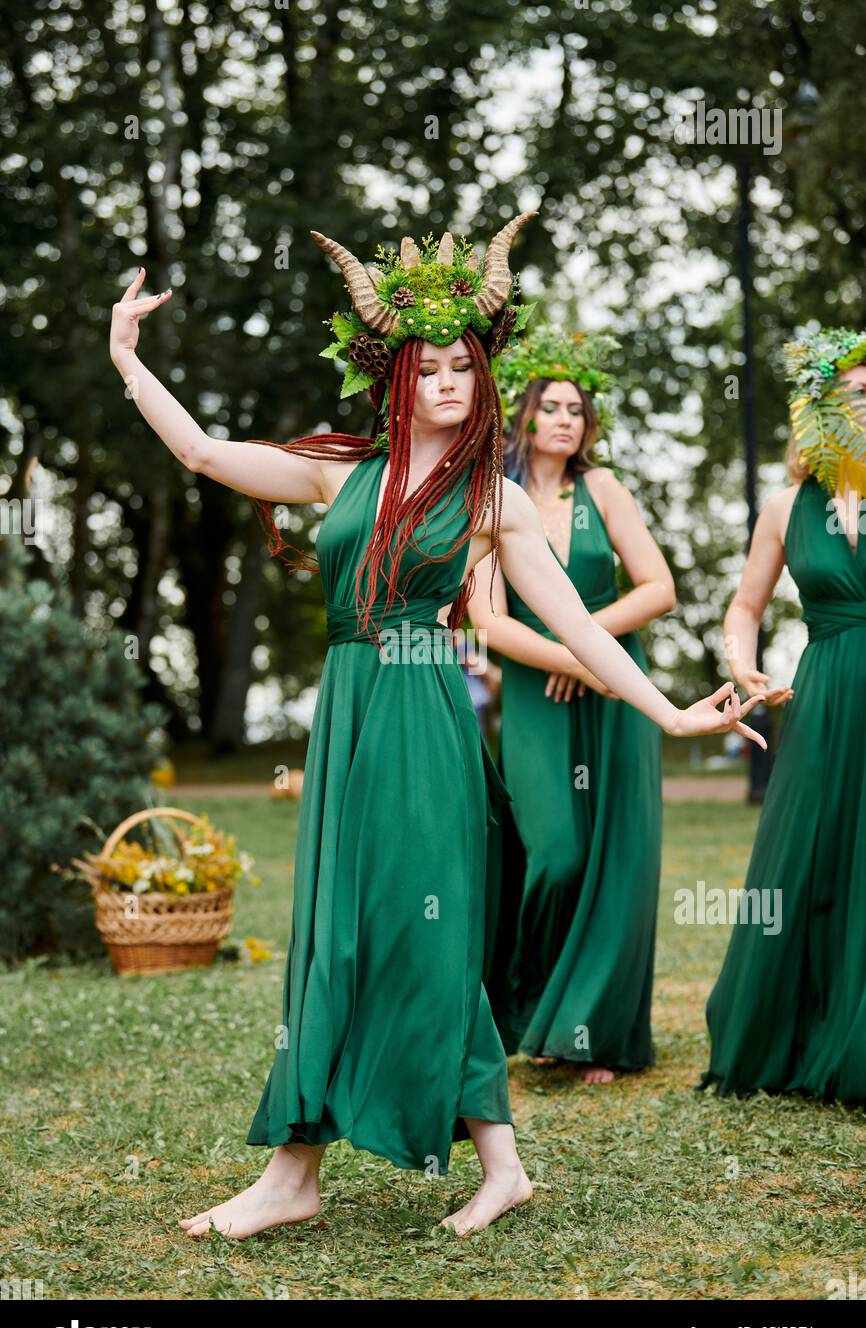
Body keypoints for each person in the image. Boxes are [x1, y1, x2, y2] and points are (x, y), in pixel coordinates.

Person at [108, 213, 766, 1240]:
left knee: (415, 933)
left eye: (464, 365)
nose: (450, 381)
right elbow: (201, 452)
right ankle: (438, 1167)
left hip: (422, 720)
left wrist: (668, 706)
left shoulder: (492, 500)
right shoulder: (338, 473)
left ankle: (319, 1171)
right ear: (394, 375)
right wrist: (126, 358)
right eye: (431, 365)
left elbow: (578, 632)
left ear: (479, 378)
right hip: (349, 712)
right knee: (337, 932)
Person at [470, 329, 673, 1080]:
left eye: (576, 411)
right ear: (521, 416)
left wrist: (593, 649)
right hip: (536, 688)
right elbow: (487, 620)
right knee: (555, 852)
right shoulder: (491, 495)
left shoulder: (605, 489)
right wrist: (567, 656)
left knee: (616, 857)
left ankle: (595, 1032)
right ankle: (530, 1009)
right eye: (549, 407)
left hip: (615, 685)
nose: (565, 420)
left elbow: (658, 588)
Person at [701, 327, 866, 1103]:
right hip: (826, 688)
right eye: (854, 395)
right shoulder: (785, 504)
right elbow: (745, 605)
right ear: (821, 408)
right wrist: (742, 663)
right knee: (810, 854)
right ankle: (794, 1032)